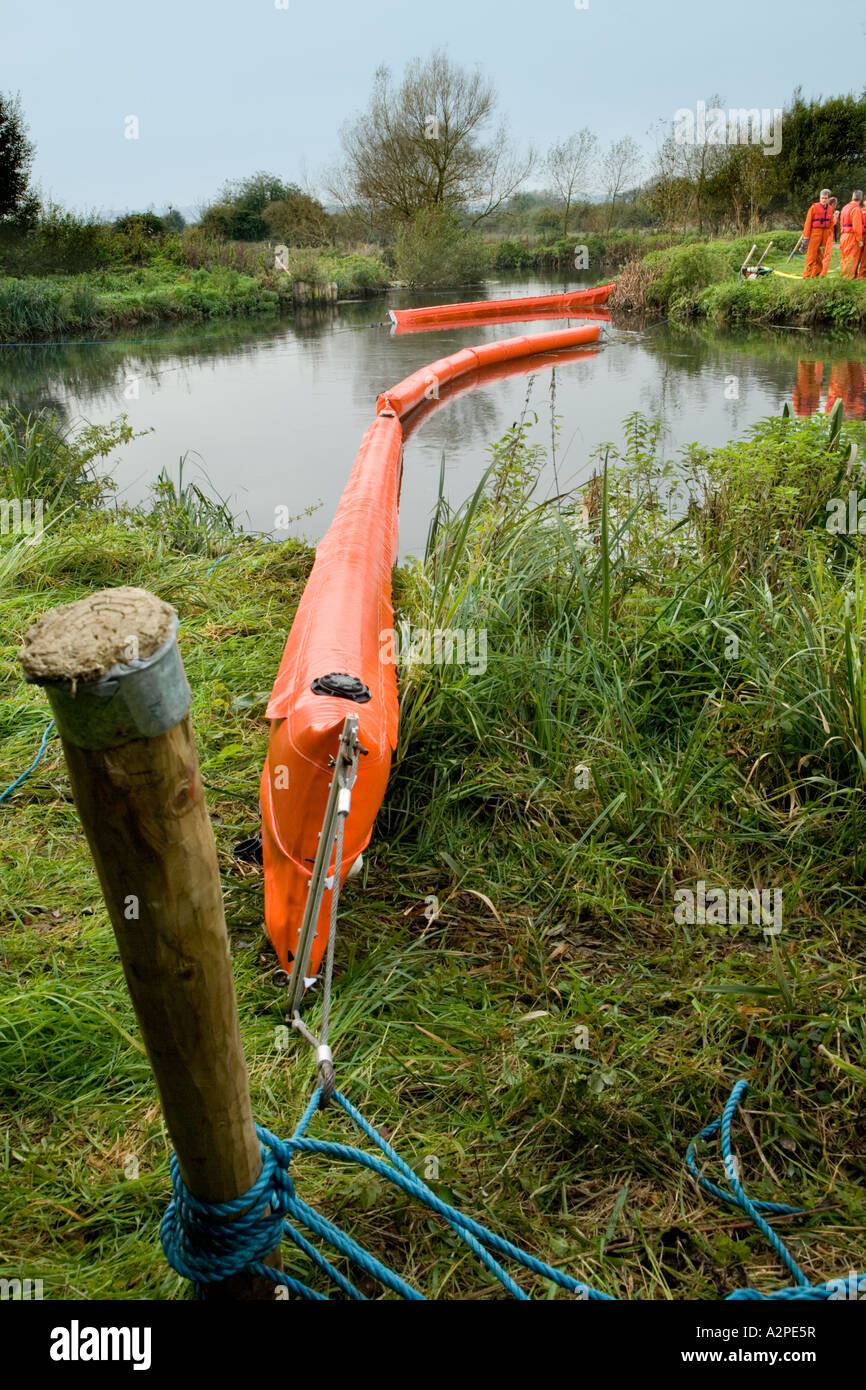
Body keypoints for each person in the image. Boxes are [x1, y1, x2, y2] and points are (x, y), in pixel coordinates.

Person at [802, 189, 834, 278]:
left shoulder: (830, 209)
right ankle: (807, 275)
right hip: (815, 233)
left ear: (828, 199)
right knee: (811, 256)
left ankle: (817, 274)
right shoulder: (814, 207)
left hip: (825, 234)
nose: (824, 200)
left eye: (825, 198)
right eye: (822, 198)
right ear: (820, 198)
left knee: (821, 255)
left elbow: (831, 223)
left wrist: (830, 235)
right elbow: (807, 223)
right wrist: (806, 237)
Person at [839, 191, 864, 279]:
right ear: (861, 199)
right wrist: (859, 240)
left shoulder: (845, 207)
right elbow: (857, 226)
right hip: (851, 236)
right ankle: (848, 280)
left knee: (845, 257)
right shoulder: (856, 209)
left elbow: (841, 223)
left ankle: (844, 277)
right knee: (851, 258)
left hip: (844, 235)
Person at [821, 197, 839, 276]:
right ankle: (823, 273)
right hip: (828, 234)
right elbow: (831, 224)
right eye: (835, 204)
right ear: (833, 204)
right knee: (827, 255)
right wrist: (836, 217)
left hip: (822, 234)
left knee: (821, 253)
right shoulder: (829, 211)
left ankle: (818, 271)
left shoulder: (823, 209)